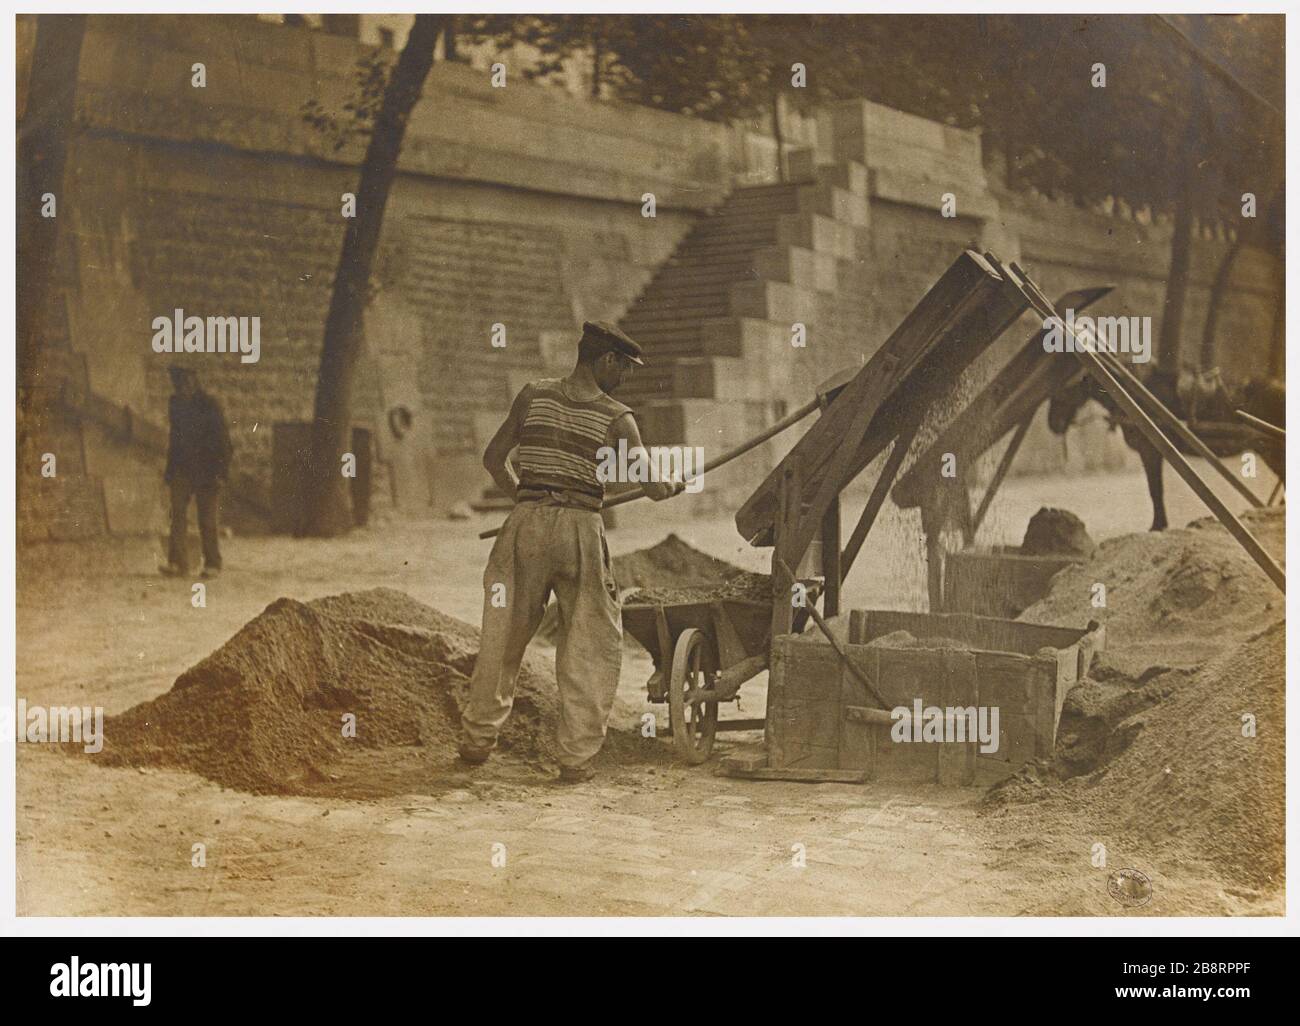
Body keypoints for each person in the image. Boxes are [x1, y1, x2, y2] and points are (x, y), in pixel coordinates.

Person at [460, 321, 681, 783]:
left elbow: (493, 458)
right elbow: (653, 486)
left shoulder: (533, 395)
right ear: (606, 360)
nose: (626, 378)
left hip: (525, 528)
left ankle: (477, 740)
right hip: (579, 530)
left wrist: (526, 498)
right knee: (588, 642)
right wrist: (673, 484)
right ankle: (575, 759)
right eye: (625, 368)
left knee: (502, 636)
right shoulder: (617, 417)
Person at [160, 366, 232, 578]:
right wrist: (170, 471)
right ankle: (177, 563)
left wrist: (221, 473)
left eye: (186, 380)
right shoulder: (175, 404)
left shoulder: (210, 405)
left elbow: (224, 442)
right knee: (177, 515)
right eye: (178, 382)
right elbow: (174, 439)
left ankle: (212, 563)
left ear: (194, 380)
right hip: (182, 468)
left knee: (207, 519)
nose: (182, 386)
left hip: (207, 470)